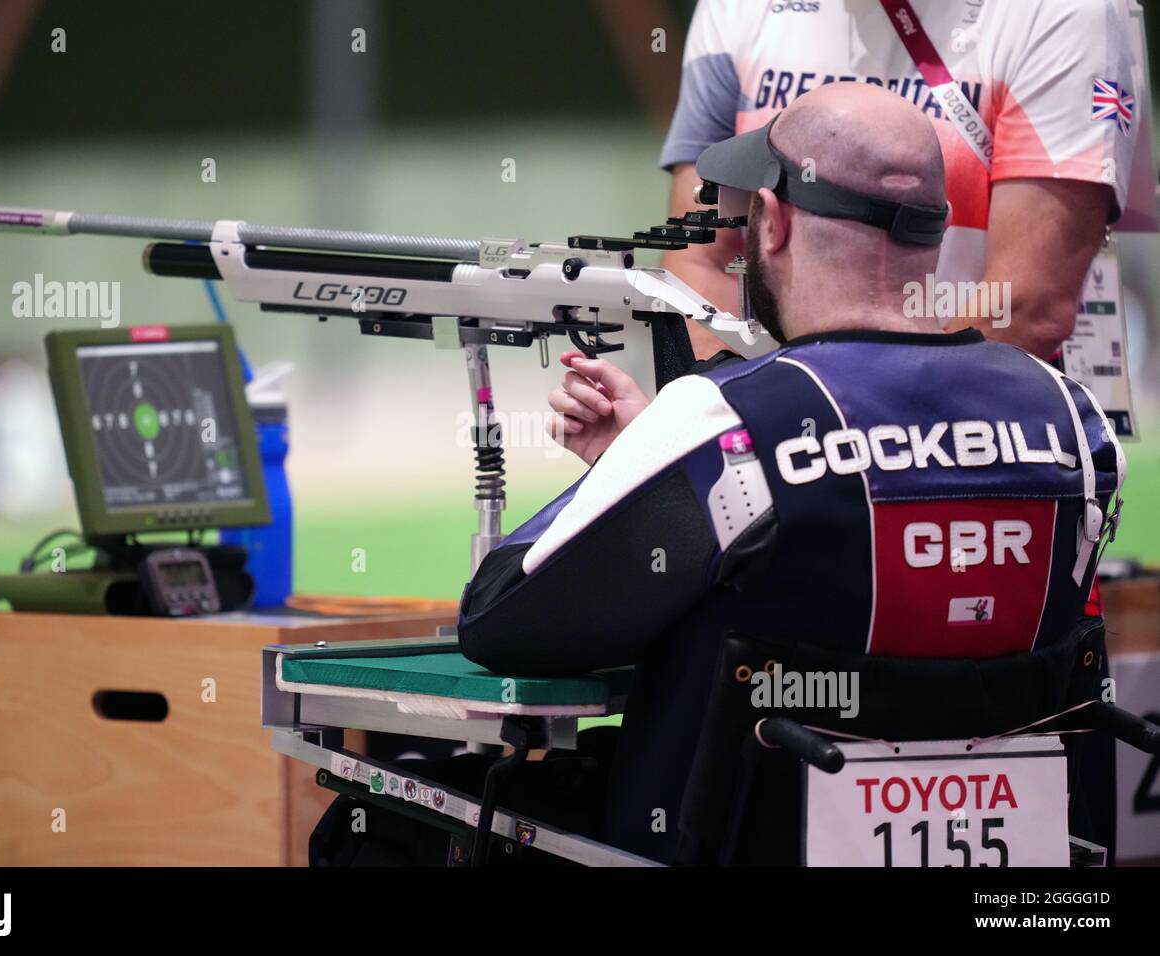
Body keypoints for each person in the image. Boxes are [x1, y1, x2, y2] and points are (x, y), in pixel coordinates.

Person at [457, 82, 1125, 862]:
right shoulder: (1070, 420)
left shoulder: (726, 420)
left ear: (772, 223)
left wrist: (638, 467)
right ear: (936, 232)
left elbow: (503, 619)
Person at [658, 0, 1154, 362]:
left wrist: (857, 416)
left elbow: (1028, 305)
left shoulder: (1067, 12)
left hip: (974, 439)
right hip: (774, 435)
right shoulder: (735, 9)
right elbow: (703, 258)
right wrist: (723, 416)